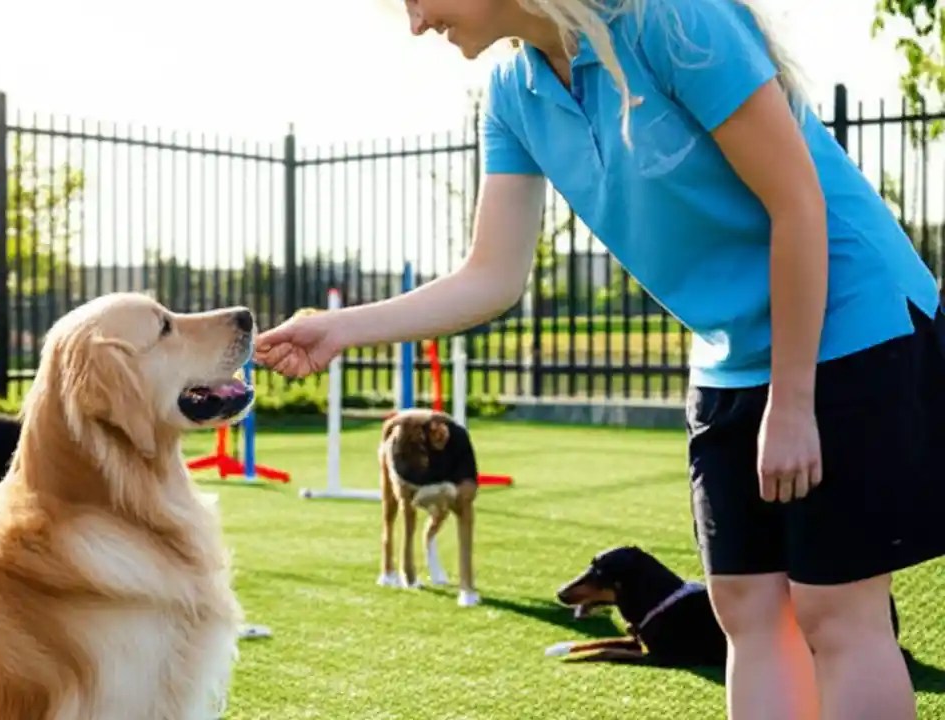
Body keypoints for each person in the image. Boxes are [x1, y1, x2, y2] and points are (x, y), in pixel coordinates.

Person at [253, 1, 945, 719]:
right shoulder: (514, 94)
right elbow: (492, 276)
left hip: (851, 321)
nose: (416, 22)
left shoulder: (674, 20)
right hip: (729, 355)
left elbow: (797, 201)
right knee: (746, 607)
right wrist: (339, 329)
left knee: (835, 611)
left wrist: (793, 400)